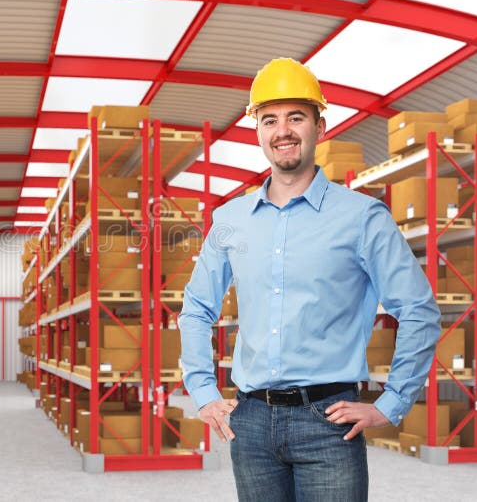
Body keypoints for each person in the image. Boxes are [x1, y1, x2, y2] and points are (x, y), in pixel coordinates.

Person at [179, 57, 441, 501]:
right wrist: (203, 391)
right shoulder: (230, 220)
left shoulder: (362, 218)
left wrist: (391, 403)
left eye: (296, 117)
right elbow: (196, 308)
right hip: (251, 422)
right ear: (257, 132)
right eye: (270, 119)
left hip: (328, 422)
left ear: (320, 125)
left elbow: (418, 311)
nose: (283, 130)